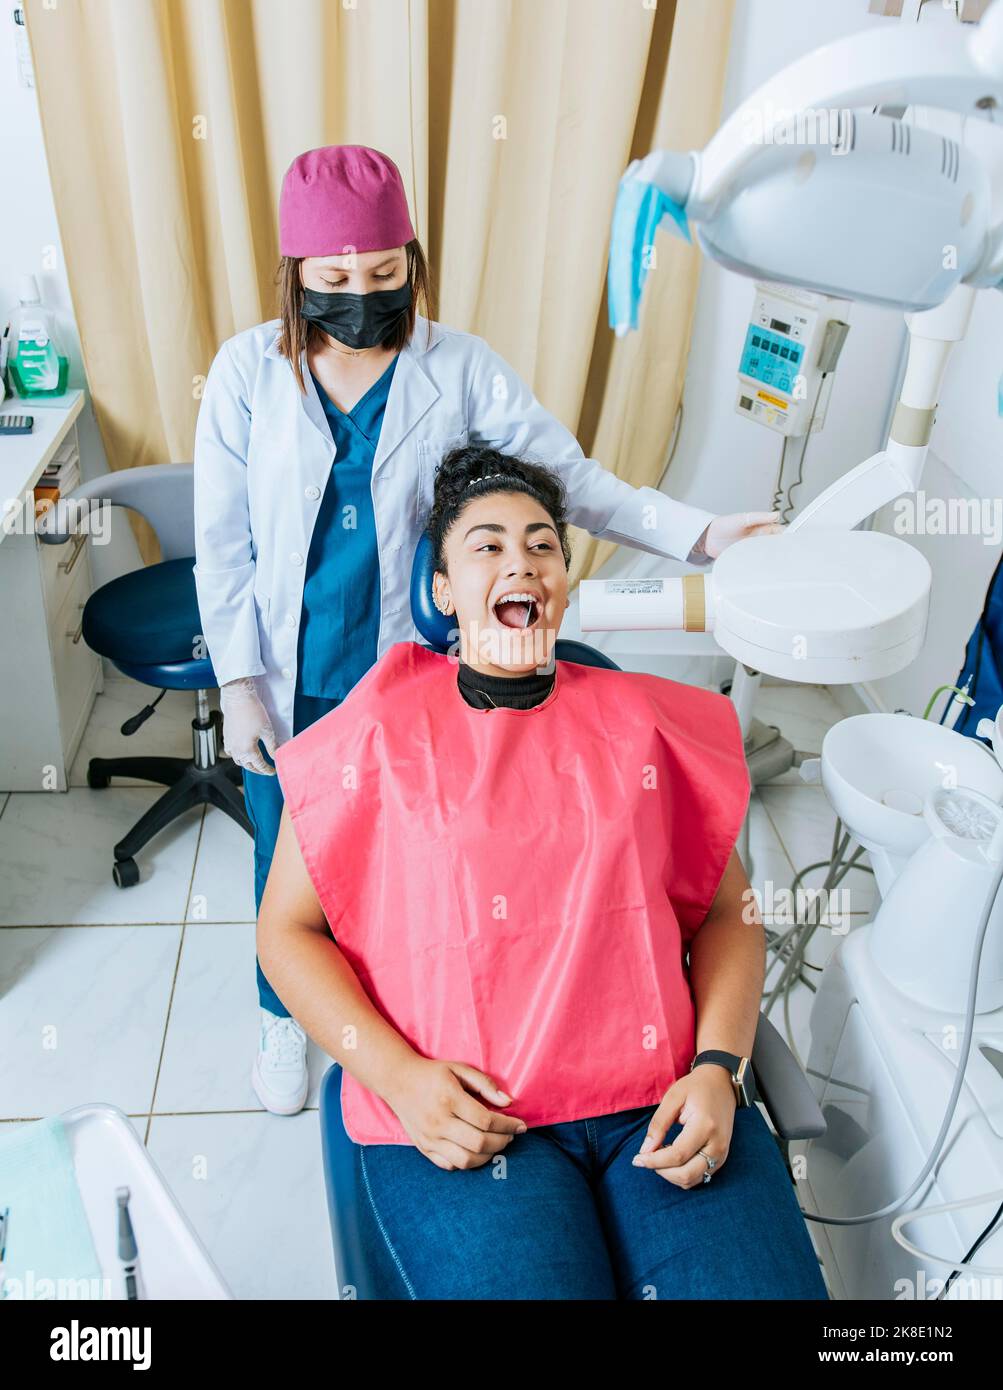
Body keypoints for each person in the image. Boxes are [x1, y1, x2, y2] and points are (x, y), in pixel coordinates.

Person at [193, 143, 782, 1116]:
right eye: (334, 281)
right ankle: (280, 1015)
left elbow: (571, 482)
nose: (360, 298)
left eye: (382, 274)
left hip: (405, 672)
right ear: (295, 275)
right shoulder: (244, 374)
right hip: (289, 671)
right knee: (285, 861)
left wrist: (701, 533)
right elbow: (222, 547)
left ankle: (393, 1026)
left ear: (412, 261)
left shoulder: (458, 368)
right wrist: (239, 684)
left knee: (410, 862)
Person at [255, 445, 828, 1300]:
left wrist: (719, 1067)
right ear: (443, 589)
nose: (520, 561)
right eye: (486, 545)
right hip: (475, 1117)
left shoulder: (643, 722)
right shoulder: (377, 730)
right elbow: (285, 933)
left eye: (541, 546)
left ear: (561, 582)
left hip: (657, 1100)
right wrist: (398, 1078)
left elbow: (727, 914)